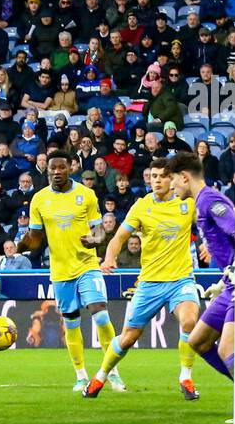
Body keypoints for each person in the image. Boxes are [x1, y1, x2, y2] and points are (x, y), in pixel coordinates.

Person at [165, 152, 235, 421]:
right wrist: (223, 279)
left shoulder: (210, 199)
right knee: (198, 340)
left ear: (184, 177)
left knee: (227, 349)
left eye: (173, 181)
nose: (171, 187)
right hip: (231, 284)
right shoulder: (202, 201)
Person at [85, 157, 201, 400]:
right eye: (153, 176)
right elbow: (118, 237)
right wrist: (109, 258)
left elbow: (206, 225)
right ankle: (101, 375)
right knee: (128, 338)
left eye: (161, 176)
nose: (156, 181)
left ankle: (186, 377)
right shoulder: (142, 206)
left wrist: (209, 244)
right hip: (150, 283)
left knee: (190, 321)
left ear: (173, 180)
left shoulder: (187, 204)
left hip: (181, 279)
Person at [15, 150, 124, 392]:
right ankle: (81, 375)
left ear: (71, 167)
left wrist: (95, 241)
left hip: (87, 265)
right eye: (52, 168)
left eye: (61, 167)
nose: (56, 172)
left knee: (101, 315)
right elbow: (35, 237)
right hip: (61, 271)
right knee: (71, 323)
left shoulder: (86, 195)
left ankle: (112, 371)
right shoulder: (40, 199)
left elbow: (99, 230)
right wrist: (18, 248)